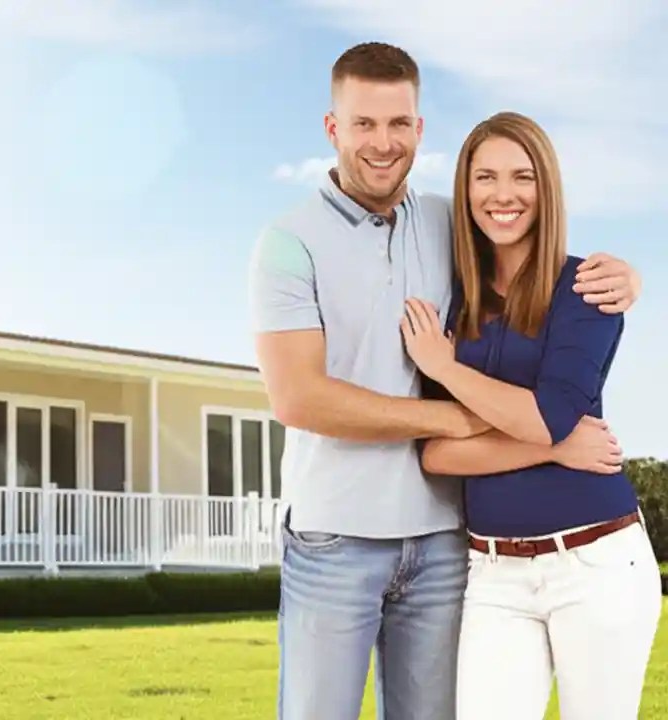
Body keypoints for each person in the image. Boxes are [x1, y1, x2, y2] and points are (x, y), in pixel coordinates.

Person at [247, 42, 643, 720]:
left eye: (398, 123)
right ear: (333, 128)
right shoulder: (288, 242)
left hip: (444, 541)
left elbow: (527, 243)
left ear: (420, 129)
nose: (382, 142)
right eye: (364, 123)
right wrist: (465, 416)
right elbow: (298, 397)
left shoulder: (446, 224)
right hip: (334, 539)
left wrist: (626, 278)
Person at [401, 110, 660, 720]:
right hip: (493, 574)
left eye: (523, 177)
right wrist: (555, 447)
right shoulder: (456, 302)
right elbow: (437, 452)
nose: (504, 195)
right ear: (465, 189)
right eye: (485, 177)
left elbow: (549, 416)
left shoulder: (587, 289)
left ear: (547, 188)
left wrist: (447, 371)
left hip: (595, 564)